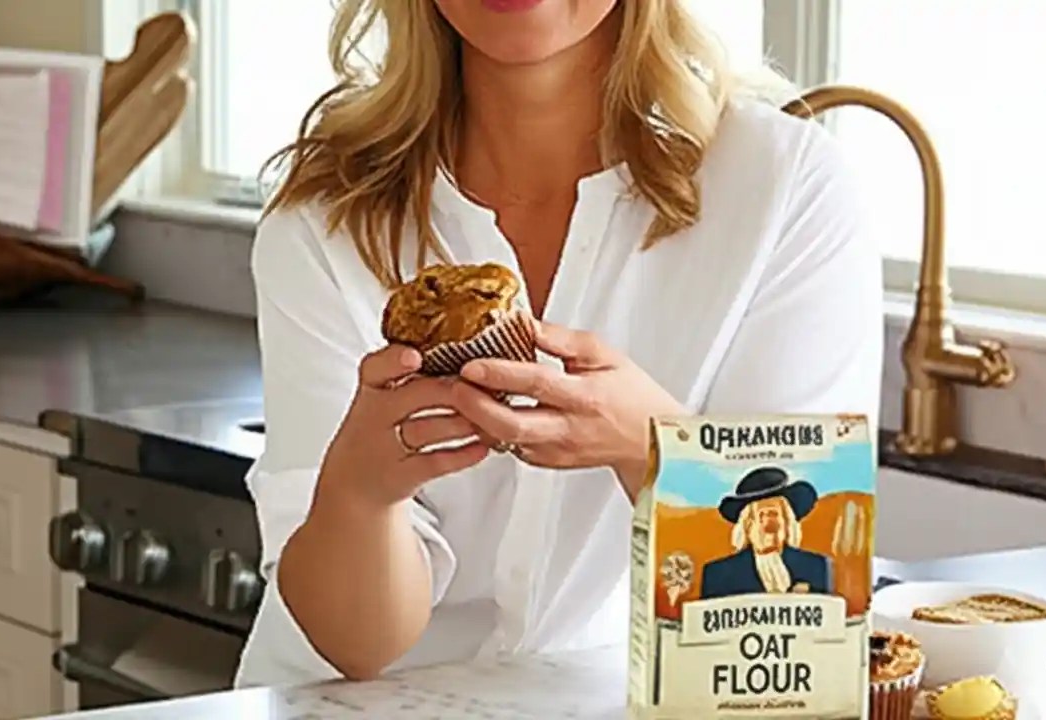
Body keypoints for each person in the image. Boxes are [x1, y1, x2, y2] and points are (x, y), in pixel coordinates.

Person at [236, 0, 882, 688]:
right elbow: (356, 649)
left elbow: (797, 637)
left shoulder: (786, 192)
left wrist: (653, 450)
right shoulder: (326, 219)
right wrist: (360, 495)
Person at [699, 467, 834, 599]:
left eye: (774, 514)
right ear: (747, 526)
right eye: (760, 515)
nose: (768, 522)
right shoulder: (718, 574)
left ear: (787, 522)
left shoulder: (815, 566)